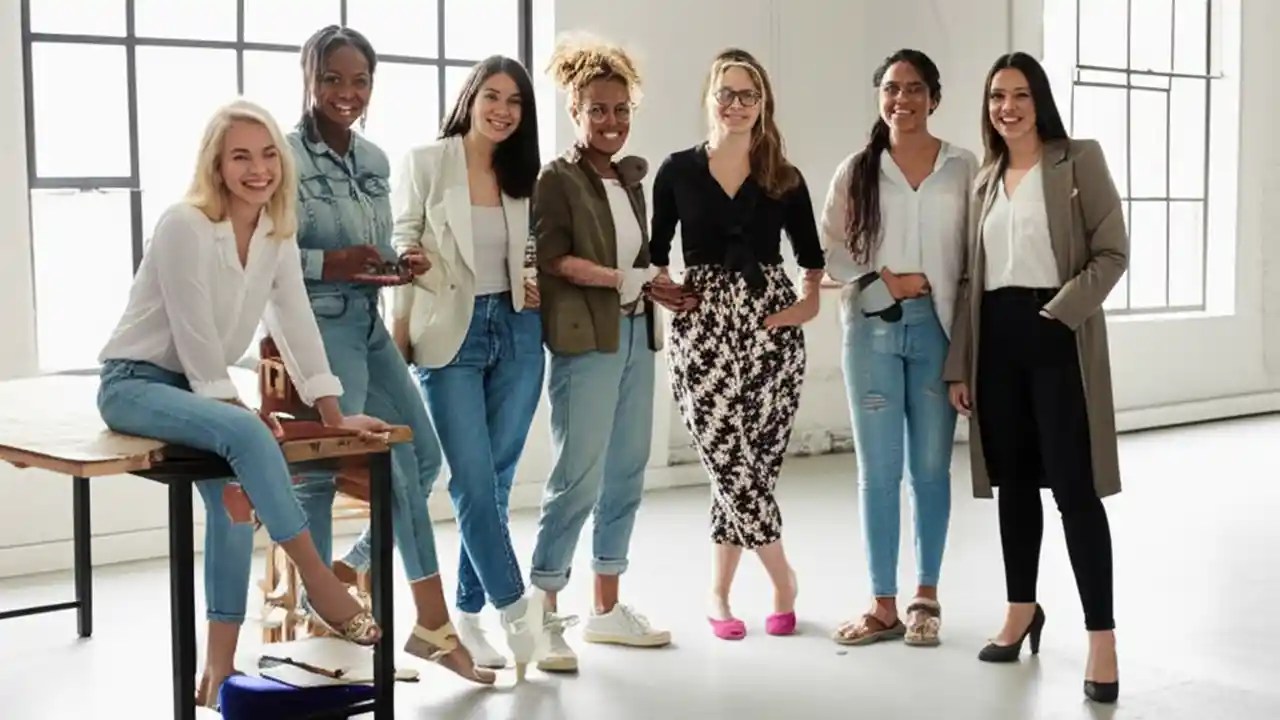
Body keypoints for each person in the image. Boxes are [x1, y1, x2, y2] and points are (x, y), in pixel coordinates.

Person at [96, 98, 383, 708]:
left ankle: (218, 672)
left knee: (232, 504)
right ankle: (319, 579)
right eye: (241, 157)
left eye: (268, 155)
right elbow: (194, 332)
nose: (258, 169)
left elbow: (294, 317)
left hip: (193, 391)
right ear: (217, 166)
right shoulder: (184, 225)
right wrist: (234, 407)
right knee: (250, 434)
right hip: (135, 384)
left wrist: (331, 409)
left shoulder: (276, 233)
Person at [285, 25, 492, 685]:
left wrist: (400, 262)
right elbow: (269, 259)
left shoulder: (375, 160)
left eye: (360, 80)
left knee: (424, 457)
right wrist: (333, 263)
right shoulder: (283, 158)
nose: (346, 93)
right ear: (309, 79)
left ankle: (344, 572)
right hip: (317, 327)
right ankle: (426, 623)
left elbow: (377, 243)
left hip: (368, 321)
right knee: (372, 464)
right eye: (332, 79)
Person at [943, 51, 1125, 703]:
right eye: (997, 96)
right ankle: (1021, 609)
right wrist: (960, 364)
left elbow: (1112, 251)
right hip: (996, 341)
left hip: (1056, 332)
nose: (1008, 107)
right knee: (1014, 484)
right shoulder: (985, 179)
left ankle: (1101, 638)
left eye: (1020, 94)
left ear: (1039, 99)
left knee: (1075, 488)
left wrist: (1060, 314)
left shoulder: (1079, 160)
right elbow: (971, 279)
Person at [650, 48, 824, 641]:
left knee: (756, 464)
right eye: (726, 92)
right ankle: (783, 577)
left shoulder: (783, 175)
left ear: (763, 103)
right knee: (726, 454)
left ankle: (719, 593)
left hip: (770, 328)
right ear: (709, 97)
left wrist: (805, 306)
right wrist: (666, 291)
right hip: (700, 328)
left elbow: (812, 259)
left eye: (749, 95)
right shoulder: (676, 170)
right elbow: (654, 254)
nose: (737, 104)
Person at [388, 55, 545, 672]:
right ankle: (516, 609)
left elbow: (529, 251)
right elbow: (402, 237)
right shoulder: (428, 162)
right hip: (449, 334)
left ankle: (469, 617)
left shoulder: (524, 174)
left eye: (515, 102)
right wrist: (405, 292)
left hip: (517, 329)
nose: (503, 110)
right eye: (493, 97)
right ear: (470, 98)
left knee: (497, 482)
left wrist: (532, 284)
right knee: (473, 482)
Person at [528, 33, 675, 673]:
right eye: (598, 110)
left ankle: (606, 609)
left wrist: (658, 285)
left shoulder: (629, 178)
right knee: (576, 479)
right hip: (586, 341)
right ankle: (542, 617)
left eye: (621, 109)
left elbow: (634, 259)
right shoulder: (556, 178)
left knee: (627, 471)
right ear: (575, 111)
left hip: (638, 337)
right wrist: (622, 280)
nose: (611, 121)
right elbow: (553, 259)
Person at [820, 49, 976, 648]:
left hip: (940, 330)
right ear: (879, 96)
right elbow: (830, 252)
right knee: (878, 472)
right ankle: (882, 604)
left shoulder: (962, 167)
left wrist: (968, 350)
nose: (901, 99)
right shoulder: (856, 169)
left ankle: (925, 598)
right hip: (872, 330)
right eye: (890, 88)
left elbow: (976, 258)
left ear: (934, 97)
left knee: (931, 470)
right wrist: (885, 280)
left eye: (913, 88)